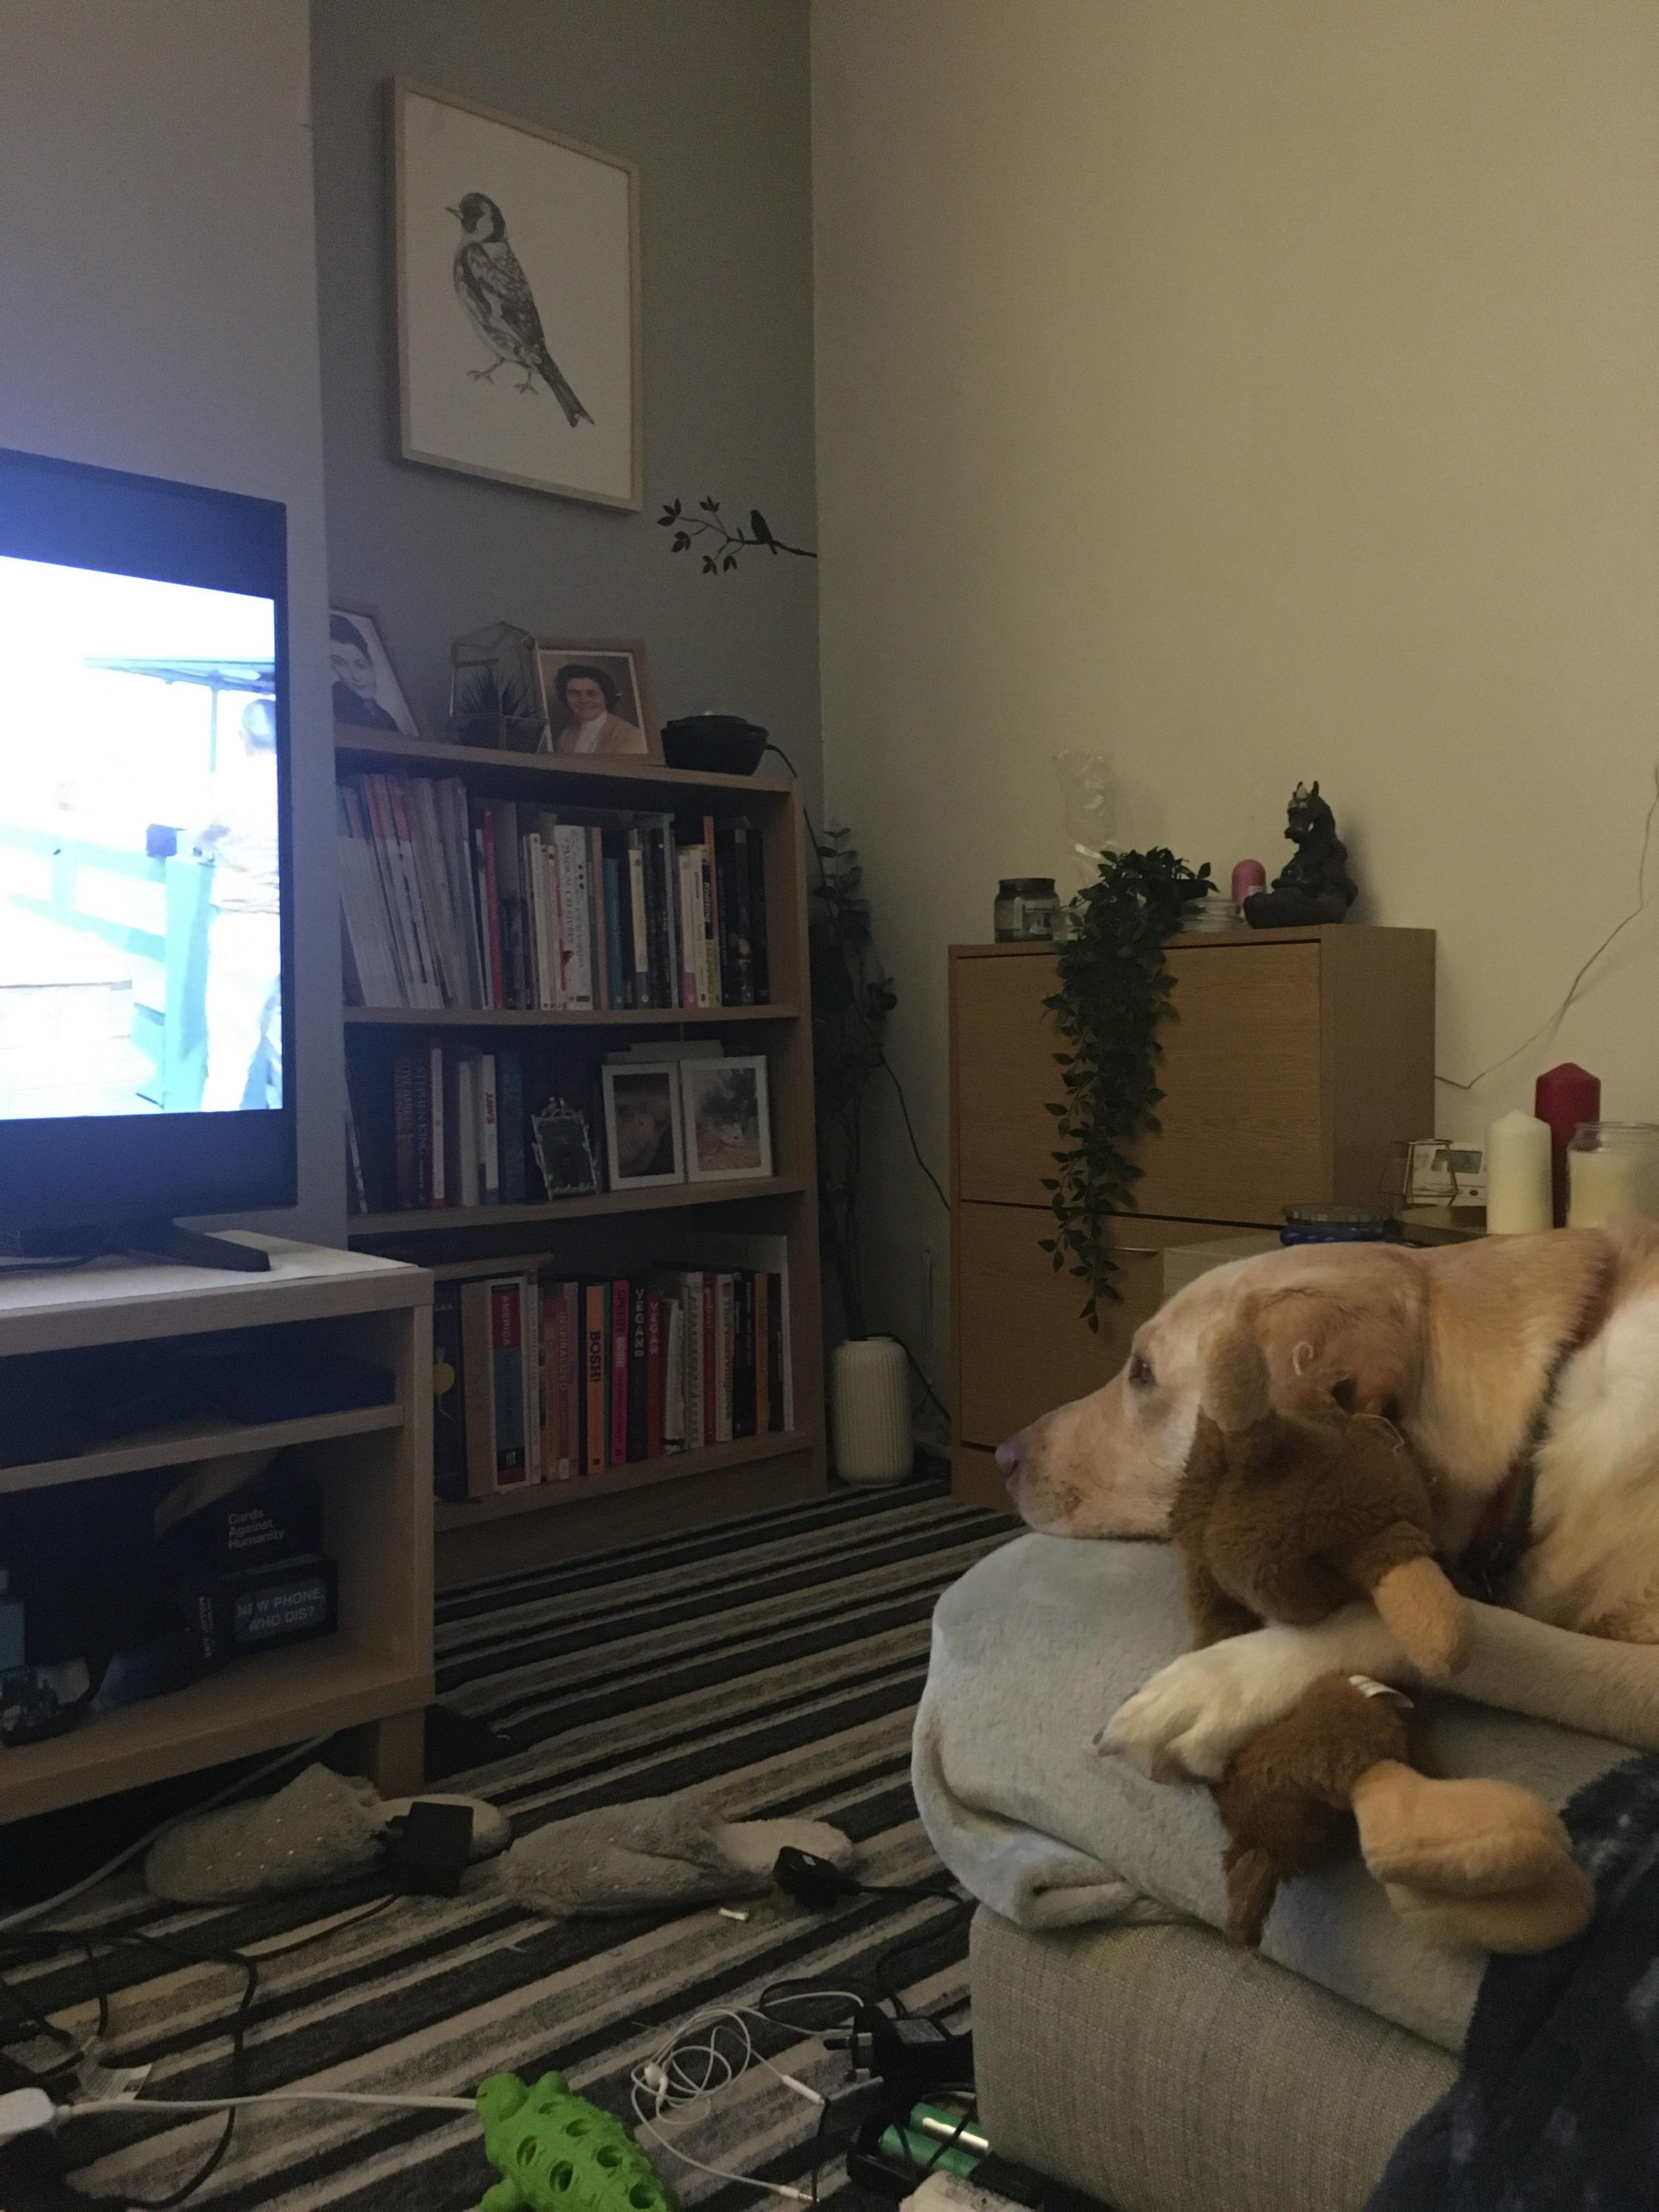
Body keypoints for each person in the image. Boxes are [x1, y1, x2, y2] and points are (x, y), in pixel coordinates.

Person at [195, 696, 281, 1110]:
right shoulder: (297, 779)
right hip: (293, 931)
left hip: (241, 927)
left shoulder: (230, 782)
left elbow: (202, 836)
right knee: (289, 1058)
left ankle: (211, 1161)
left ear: (243, 736)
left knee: (229, 1058)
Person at [550, 662, 646, 755]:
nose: (584, 700)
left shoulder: (628, 735)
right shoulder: (566, 736)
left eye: (591, 694)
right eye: (575, 694)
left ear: (606, 696)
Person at [330, 614, 402, 731]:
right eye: (339, 663)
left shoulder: (384, 716)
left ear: (371, 661)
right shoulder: (334, 706)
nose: (355, 676)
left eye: (360, 665)